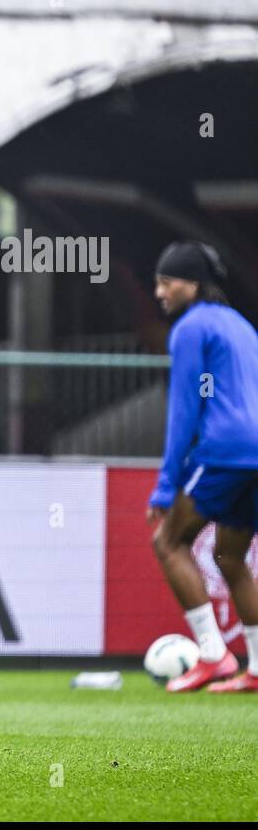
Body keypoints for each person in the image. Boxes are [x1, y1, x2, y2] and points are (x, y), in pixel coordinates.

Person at [146, 241, 258, 693]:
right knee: (230, 556)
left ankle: (212, 656)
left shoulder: (190, 328)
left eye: (166, 282)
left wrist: (165, 484)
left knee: (169, 541)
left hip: (224, 452)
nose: (159, 292)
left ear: (192, 284)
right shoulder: (242, 326)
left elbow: (185, 409)